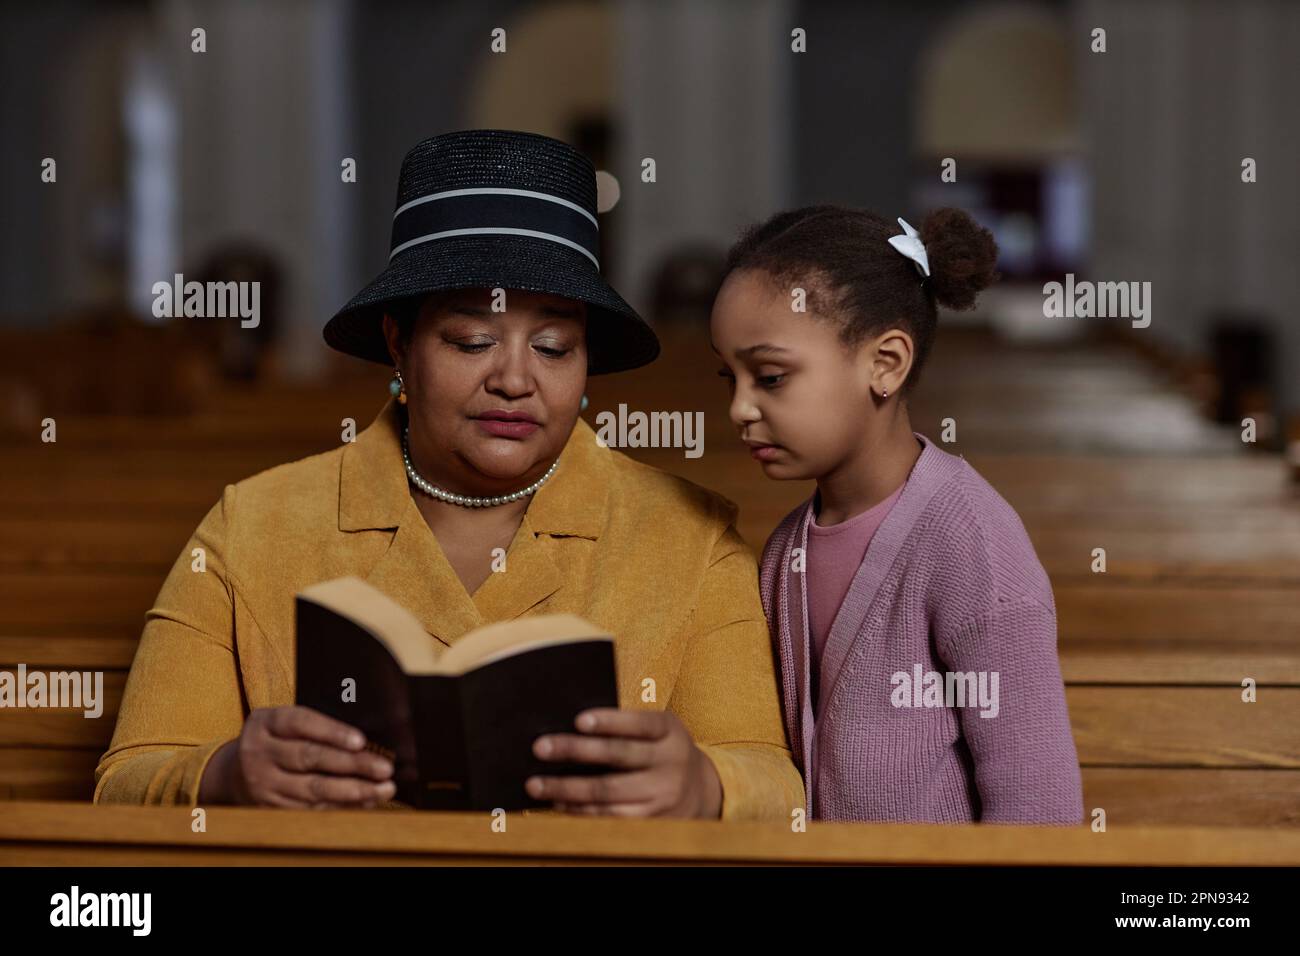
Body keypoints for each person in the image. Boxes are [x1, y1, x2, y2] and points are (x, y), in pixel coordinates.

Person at [93, 129, 803, 820]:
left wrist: (704, 786)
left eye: (554, 346)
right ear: (399, 345)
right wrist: (224, 775)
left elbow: (777, 787)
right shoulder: (251, 525)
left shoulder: (693, 538)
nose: (516, 379)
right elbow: (128, 780)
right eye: (472, 340)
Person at [710, 205, 1084, 823]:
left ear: (885, 364)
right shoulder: (785, 551)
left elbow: (1037, 803)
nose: (739, 409)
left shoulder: (971, 542)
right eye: (731, 378)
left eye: (770, 377)